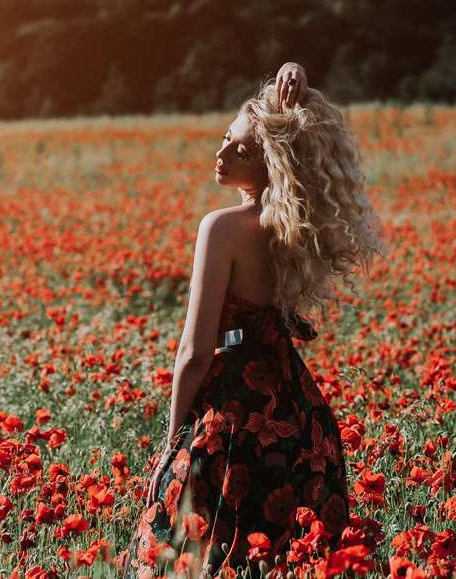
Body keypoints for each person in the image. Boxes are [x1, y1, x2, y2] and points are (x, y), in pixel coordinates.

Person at [119, 62, 385, 578]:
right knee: (287, 559)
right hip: (299, 416)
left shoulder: (221, 228)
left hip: (235, 418)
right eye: (225, 139)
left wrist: (173, 442)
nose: (220, 154)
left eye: (240, 149)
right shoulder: (294, 231)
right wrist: (292, 88)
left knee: (199, 555)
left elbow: (194, 353)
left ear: (271, 164)